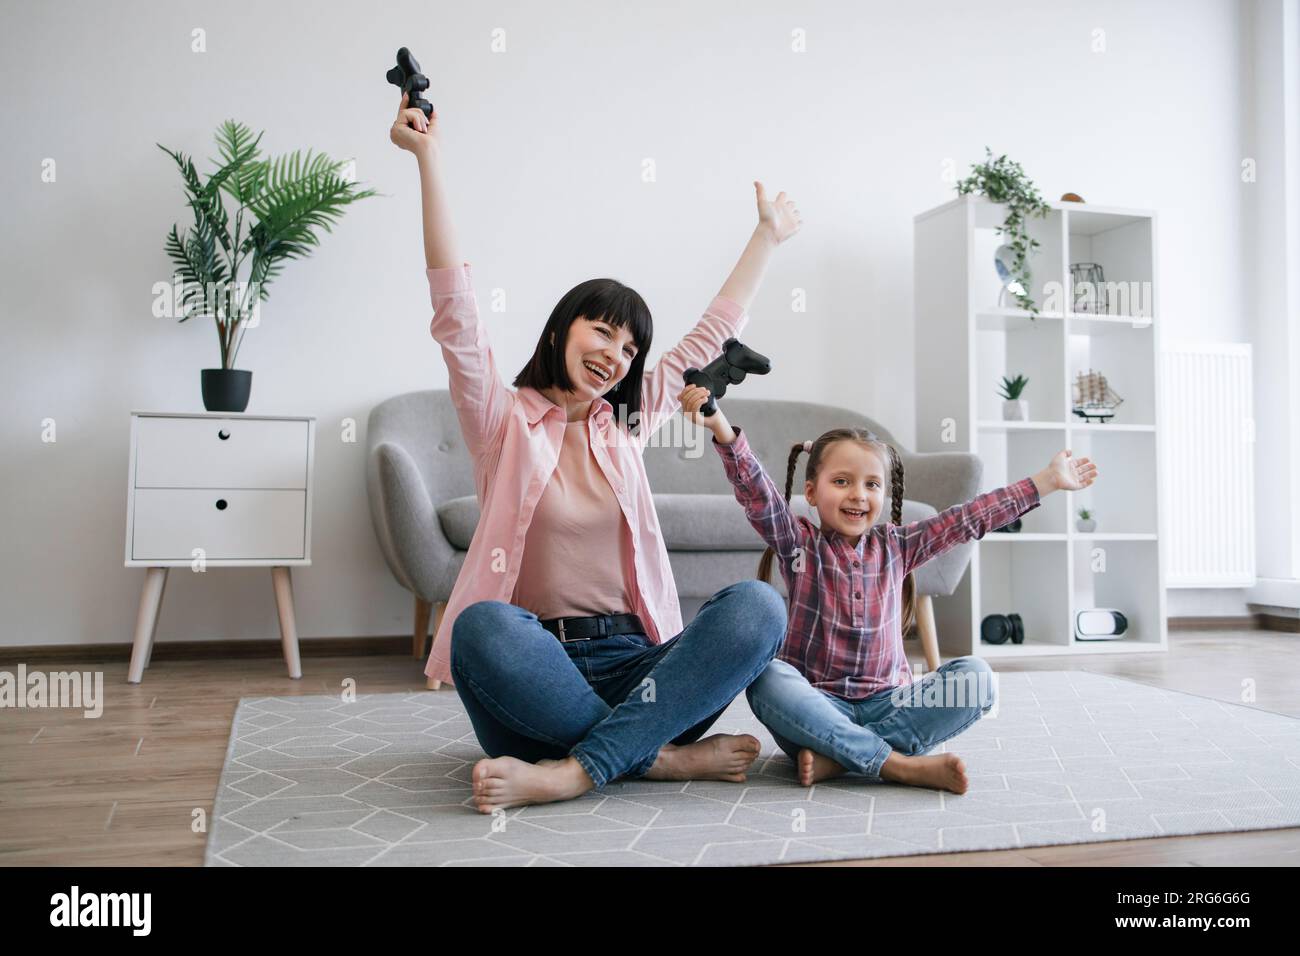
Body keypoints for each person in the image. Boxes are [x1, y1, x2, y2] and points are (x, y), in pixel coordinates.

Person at [390, 92, 802, 812]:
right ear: (560, 331)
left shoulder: (627, 424)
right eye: (603, 332)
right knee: (481, 625)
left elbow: (710, 333)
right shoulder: (501, 418)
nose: (616, 353)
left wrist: (764, 237)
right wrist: (429, 159)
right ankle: (658, 760)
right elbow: (455, 304)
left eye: (631, 346)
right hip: (535, 674)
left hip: (639, 668)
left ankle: (578, 771)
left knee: (758, 607)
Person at [679, 382, 1099, 794]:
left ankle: (841, 759)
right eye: (841, 481)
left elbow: (970, 518)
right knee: (767, 675)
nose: (858, 495)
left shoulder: (898, 546)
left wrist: (1045, 481)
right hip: (816, 712)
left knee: (977, 678)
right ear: (811, 491)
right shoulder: (798, 543)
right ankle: (895, 763)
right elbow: (758, 495)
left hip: (889, 704)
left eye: (871, 484)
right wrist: (720, 425)